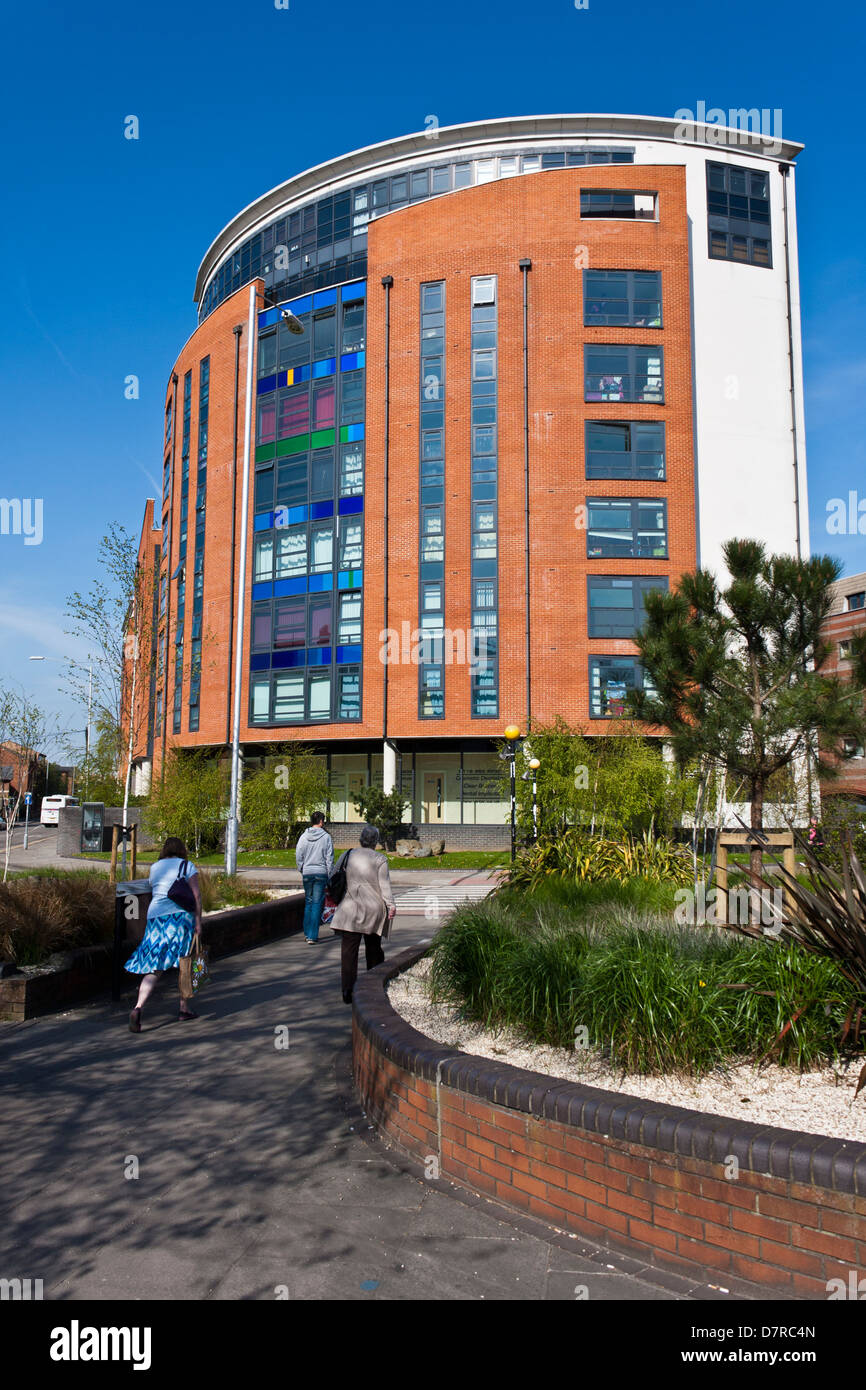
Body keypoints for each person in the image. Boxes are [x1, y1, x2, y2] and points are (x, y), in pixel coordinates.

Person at [125, 837, 202, 1032]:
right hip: (180, 918)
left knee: (154, 967)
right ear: (182, 849)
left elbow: (153, 888)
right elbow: (196, 895)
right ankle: (184, 1008)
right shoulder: (187, 865)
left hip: (156, 918)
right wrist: (199, 921)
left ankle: (138, 1007)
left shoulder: (155, 867)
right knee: (185, 964)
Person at [330, 824, 396, 1004]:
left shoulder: (348, 854)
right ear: (376, 841)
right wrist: (391, 905)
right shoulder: (380, 859)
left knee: (349, 951)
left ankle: (348, 990)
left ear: (361, 838)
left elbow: (334, 874)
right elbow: (385, 886)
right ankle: (372, 986)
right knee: (373, 949)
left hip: (350, 909)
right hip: (373, 910)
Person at [295, 810, 334, 944]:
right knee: (317, 903)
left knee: (309, 902)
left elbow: (299, 855)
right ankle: (312, 935)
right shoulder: (326, 837)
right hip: (321, 872)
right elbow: (329, 858)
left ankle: (307, 932)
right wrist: (329, 874)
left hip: (307, 872)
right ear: (321, 821)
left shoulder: (304, 836)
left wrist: (302, 868)